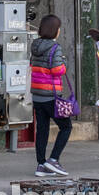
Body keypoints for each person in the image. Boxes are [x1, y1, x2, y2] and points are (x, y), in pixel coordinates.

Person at [30, 14, 72, 177]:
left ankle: (41, 165)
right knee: (66, 127)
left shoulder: (35, 45)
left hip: (37, 95)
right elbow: (57, 70)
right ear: (55, 30)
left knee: (42, 130)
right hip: (50, 95)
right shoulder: (55, 48)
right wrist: (64, 62)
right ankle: (53, 160)